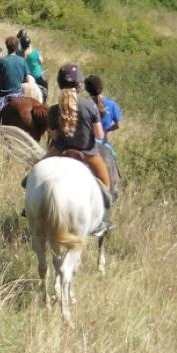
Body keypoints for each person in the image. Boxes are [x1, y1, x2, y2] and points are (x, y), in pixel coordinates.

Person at [48, 63, 112, 231]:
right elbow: (99, 135)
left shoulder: (54, 109)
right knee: (106, 185)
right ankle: (103, 221)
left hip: (60, 151)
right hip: (88, 154)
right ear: (80, 85)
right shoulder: (90, 106)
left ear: (60, 83)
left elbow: (53, 136)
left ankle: (29, 206)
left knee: (33, 173)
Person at [19, 30, 47, 94]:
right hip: (37, 76)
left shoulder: (19, 54)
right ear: (29, 43)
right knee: (45, 89)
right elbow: (41, 62)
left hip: (25, 78)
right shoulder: (35, 52)